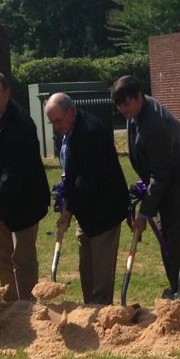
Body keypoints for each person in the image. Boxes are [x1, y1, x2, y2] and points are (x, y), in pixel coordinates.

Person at [111, 75, 180, 298]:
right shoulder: (137, 110)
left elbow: (161, 175)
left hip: (179, 190)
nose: (123, 110)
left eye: (126, 104)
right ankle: (177, 290)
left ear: (138, 96)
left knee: (176, 248)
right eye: (119, 106)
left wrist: (145, 212)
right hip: (163, 187)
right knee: (167, 244)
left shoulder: (155, 124)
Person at [0, 72, 49, 301]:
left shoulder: (21, 124)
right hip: (0, 193)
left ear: (7, 94)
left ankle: (27, 304)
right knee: (2, 254)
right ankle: (10, 301)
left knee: (22, 258)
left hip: (25, 198)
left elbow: (13, 173)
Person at [44, 93, 129, 305]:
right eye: (51, 122)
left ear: (71, 111)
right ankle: (90, 310)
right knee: (87, 270)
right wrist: (67, 205)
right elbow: (72, 174)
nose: (55, 126)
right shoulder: (70, 129)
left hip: (104, 211)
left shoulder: (91, 131)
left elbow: (86, 179)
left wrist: (69, 209)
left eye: (58, 120)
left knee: (100, 275)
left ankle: (101, 315)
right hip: (85, 210)